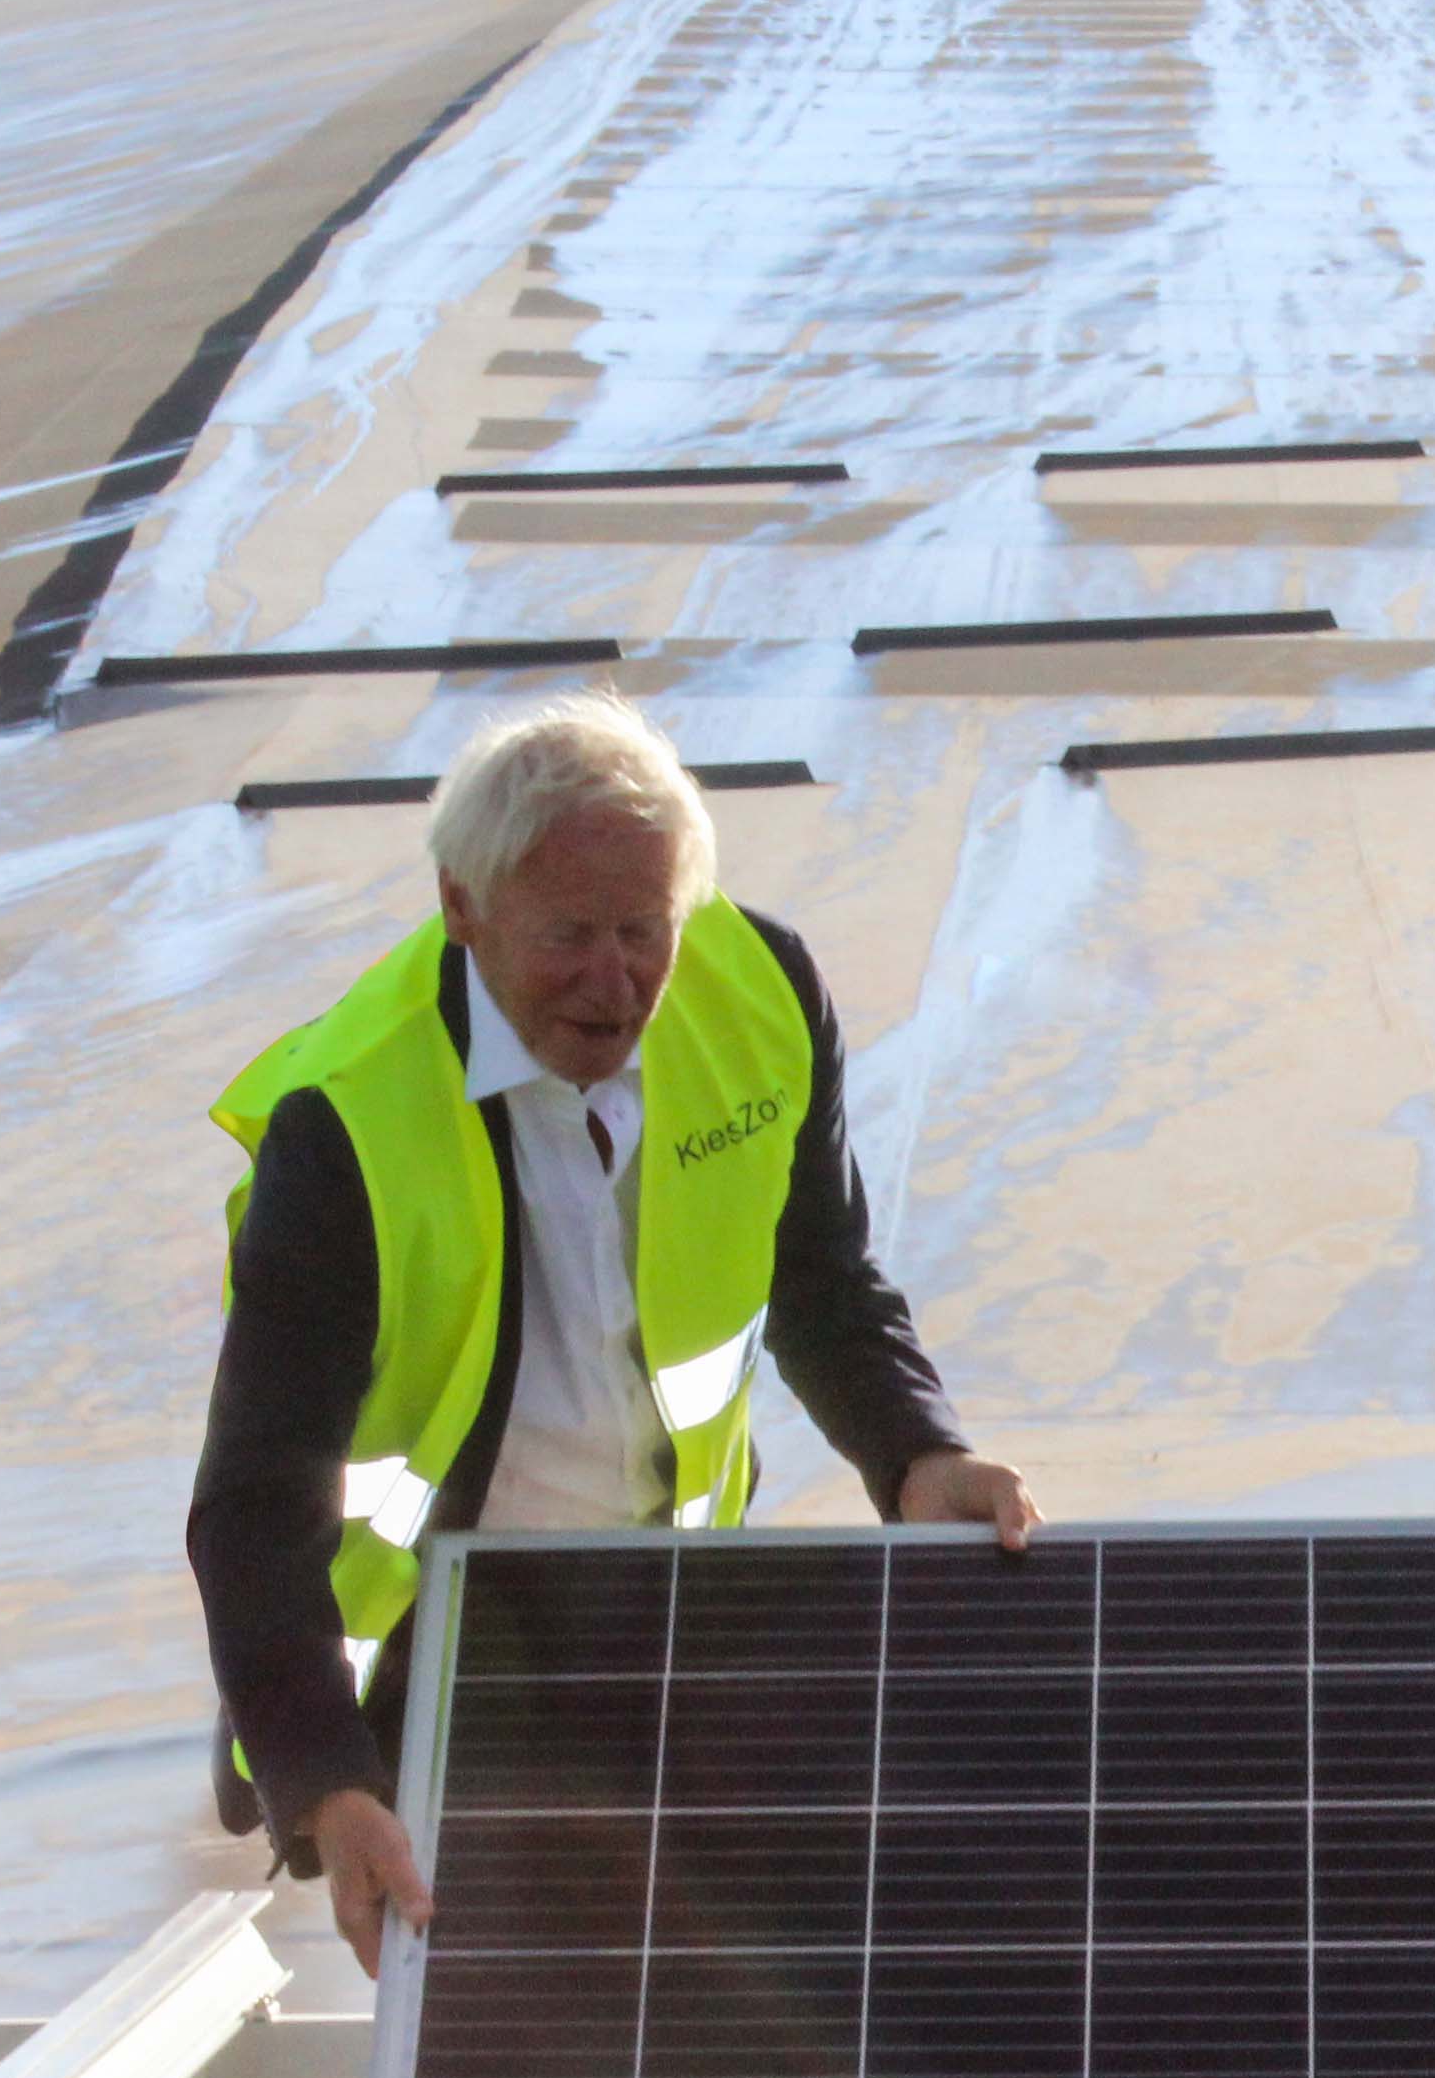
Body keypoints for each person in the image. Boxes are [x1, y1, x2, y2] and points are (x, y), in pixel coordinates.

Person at [190, 692, 1036, 1970]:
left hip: (672, 1610)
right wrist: (328, 1780)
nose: (615, 981)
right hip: (446, 1638)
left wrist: (919, 1453)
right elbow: (254, 1504)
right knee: (504, 2006)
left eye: (646, 931)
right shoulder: (345, 1127)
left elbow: (822, 1281)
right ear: (462, 907)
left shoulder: (761, 998)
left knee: (735, 1983)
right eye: (568, 936)